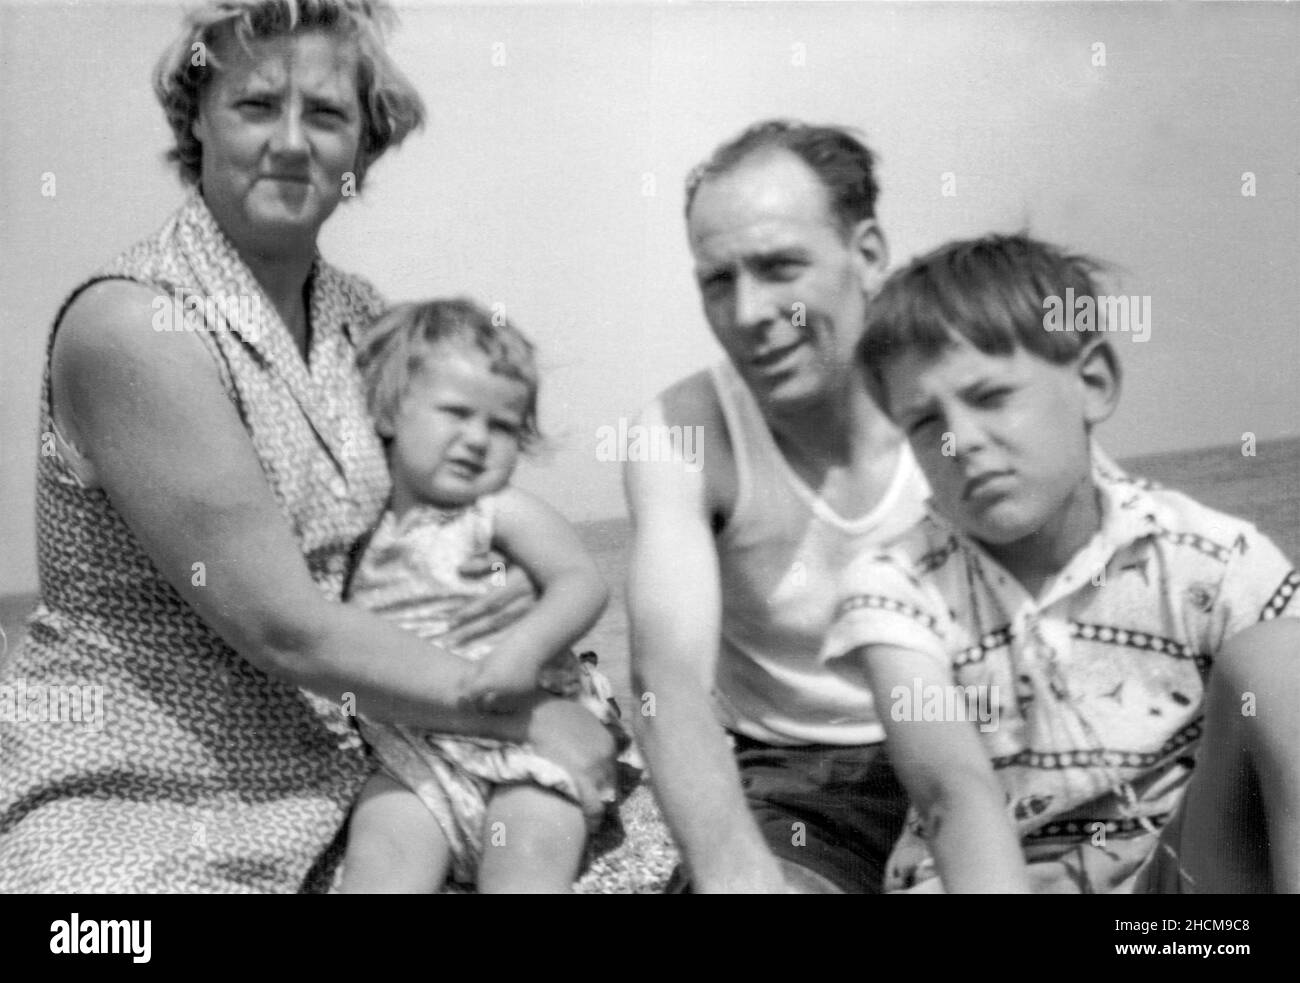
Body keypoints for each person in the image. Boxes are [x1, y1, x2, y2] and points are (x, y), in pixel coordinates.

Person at [0, 0, 613, 893]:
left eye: (325, 115)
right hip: (145, 786)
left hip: (365, 757)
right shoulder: (134, 325)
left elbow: (446, 507)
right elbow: (281, 625)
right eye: (256, 106)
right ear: (196, 122)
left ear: (362, 148)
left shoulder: (364, 321)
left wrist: (521, 594)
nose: (292, 142)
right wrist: (528, 716)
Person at [823, 233, 1300, 893]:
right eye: (926, 422)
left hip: (1175, 902)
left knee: (1283, 659)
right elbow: (952, 793)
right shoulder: (900, 588)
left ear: (1094, 384)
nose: (963, 440)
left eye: (991, 396)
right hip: (985, 879)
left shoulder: (1207, 558)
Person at [626, 120, 930, 893]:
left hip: (986, 733)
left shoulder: (963, 388)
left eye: (779, 267)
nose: (751, 310)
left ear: (867, 255)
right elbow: (671, 683)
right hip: (806, 780)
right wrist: (736, 877)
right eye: (717, 281)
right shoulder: (686, 433)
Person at [340, 298, 621, 893]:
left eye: (502, 426)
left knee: (529, 852)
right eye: (456, 413)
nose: (477, 440)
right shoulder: (356, 524)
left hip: (530, 745)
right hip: (413, 748)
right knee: (382, 857)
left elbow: (581, 581)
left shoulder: (498, 513)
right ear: (389, 413)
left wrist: (524, 648)